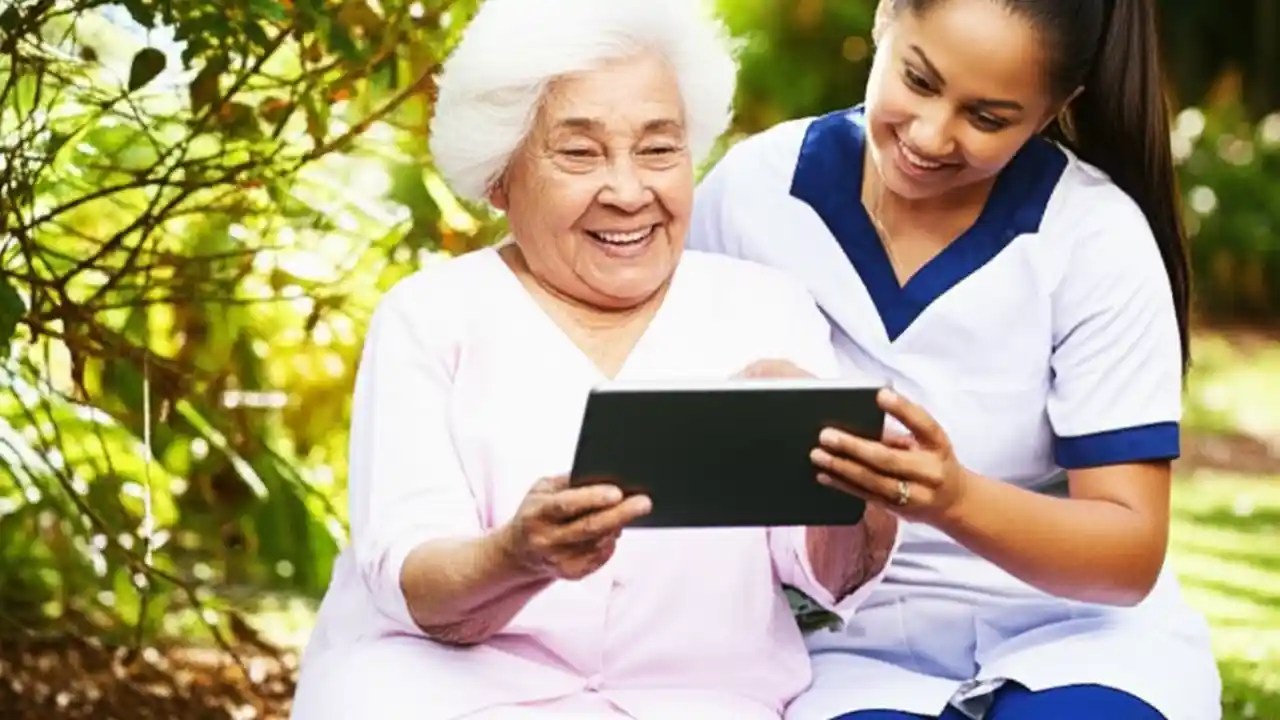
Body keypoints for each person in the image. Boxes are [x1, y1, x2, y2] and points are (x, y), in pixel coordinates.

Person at [288, 1, 899, 718]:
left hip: (697, 700)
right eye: (579, 153)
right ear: (498, 176)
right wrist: (515, 554)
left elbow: (827, 573)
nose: (629, 191)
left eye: (659, 148)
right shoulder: (429, 316)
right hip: (447, 692)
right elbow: (412, 573)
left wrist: (858, 490)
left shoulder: (767, 309)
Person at [687, 0, 1222, 718]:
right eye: (918, 79)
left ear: (1055, 107)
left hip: (1074, 632)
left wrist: (953, 498)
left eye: (988, 118)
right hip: (845, 644)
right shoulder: (752, 194)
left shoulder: (1096, 239)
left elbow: (1126, 553)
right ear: (884, 19)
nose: (932, 136)